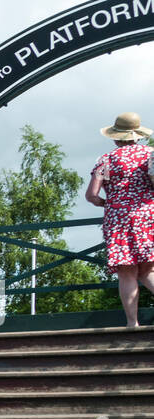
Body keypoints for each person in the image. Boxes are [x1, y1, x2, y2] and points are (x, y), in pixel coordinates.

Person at [85, 112, 154, 329]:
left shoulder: (106, 160)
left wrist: (106, 203)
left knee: (127, 273)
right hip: (147, 215)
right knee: (148, 270)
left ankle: (132, 323)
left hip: (118, 219)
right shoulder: (149, 154)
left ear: (116, 137)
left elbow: (91, 195)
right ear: (137, 135)